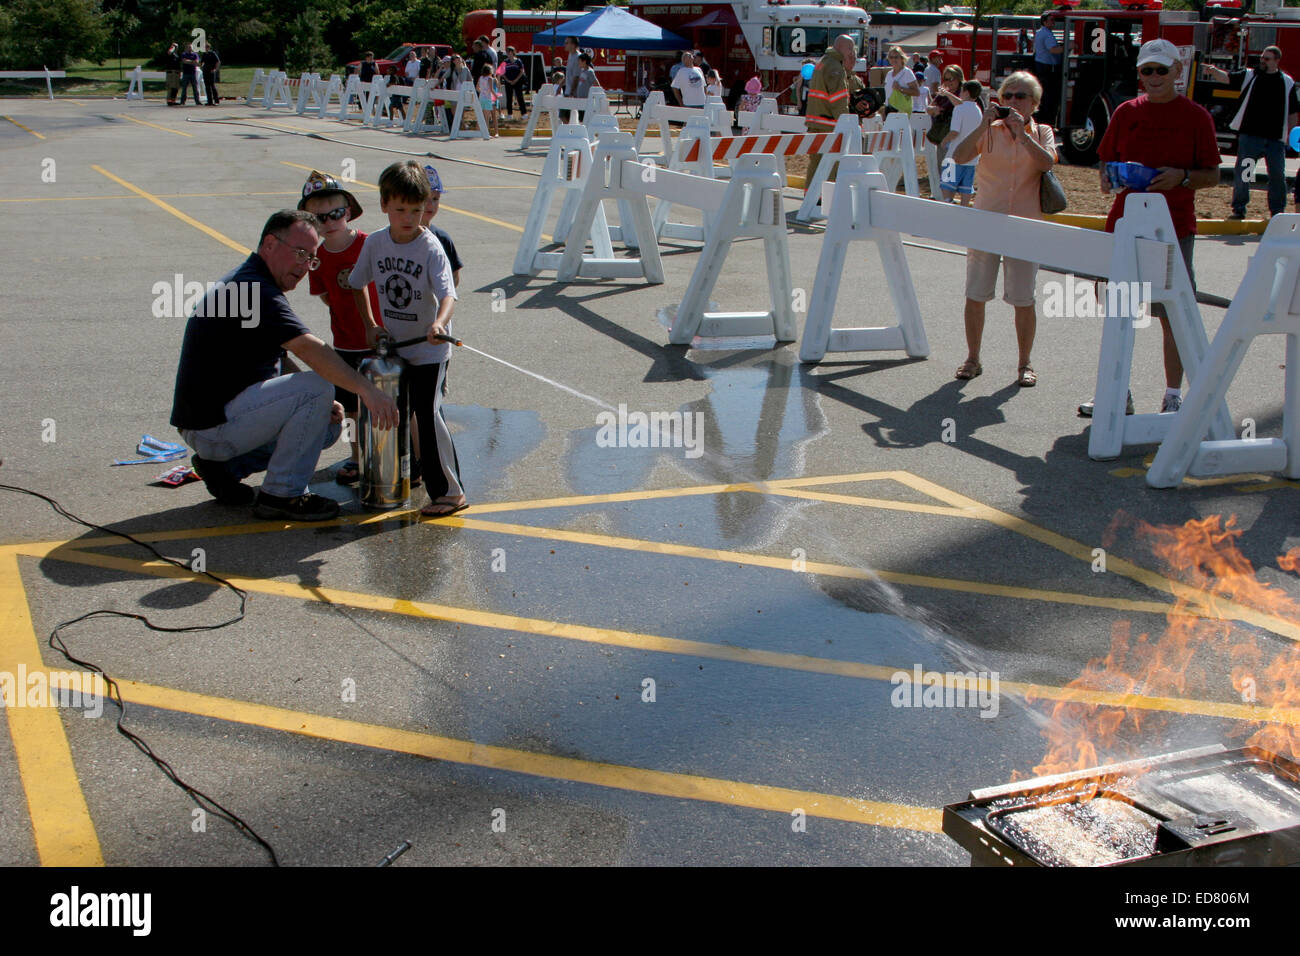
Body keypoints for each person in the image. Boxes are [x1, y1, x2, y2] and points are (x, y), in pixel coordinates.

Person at [170, 209, 399, 520]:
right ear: (269, 244)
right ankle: (282, 496)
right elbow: (309, 348)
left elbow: (281, 356)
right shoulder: (254, 289)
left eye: (312, 259)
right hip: (213, 427)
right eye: (300, 254)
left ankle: (223, 467)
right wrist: (367, 391)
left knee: (327, 422)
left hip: (213, 422)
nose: (305, 266)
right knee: (318, 386)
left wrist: (322, 403)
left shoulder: (251, 280)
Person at [1079, 38, 1223, 417]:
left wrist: (1184, 177)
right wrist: (1108, 178)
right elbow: (1106, 161)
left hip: (1174, 227)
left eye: (1162, 70)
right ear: (1139, 74)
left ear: (1178, 71)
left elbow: (1212, 175)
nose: (1155, 77)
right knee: (1115, 306)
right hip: (1126, 221)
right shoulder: (1126, 112)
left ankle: (1173, 394)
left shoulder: (1197, 117)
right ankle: (1116, 391)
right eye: (1148, 71)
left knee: (1171, 313)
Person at [348, 162, 464, 518]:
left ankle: (450, 492)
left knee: (428, 417)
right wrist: (370, 324)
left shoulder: (430, 248)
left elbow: (448, 295)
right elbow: (356, 284)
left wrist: (440, 324)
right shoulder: (376, 243)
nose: (410, 218)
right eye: (401, 210)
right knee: (398, 416)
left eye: (417, 210)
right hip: (394, 350)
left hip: (430, 350)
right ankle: (401, 474)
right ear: (384, 205)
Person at [950, 71, 1057, 387]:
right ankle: (972, 358)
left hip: (1025, 226)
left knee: (1023, 298)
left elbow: (1048, 163)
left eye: (1020, 96)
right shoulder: (990, 131)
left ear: (1034, 103)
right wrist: (984, 124)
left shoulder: (1042, 132)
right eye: (1007, 96)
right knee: (975, 294)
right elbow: (959, 156)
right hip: (985, 222)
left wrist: (1023, 133)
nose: (1012, 102)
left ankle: (1025, 363)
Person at [297, 171, 382, 487]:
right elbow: (323, 295)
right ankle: (358, 458)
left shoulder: (369, 244)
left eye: (336, 213)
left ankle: (400, 454)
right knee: (352, 408)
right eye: (320, 218)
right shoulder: (315, 258)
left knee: (388, 400)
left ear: (348, 211)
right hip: (345, 343)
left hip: (379, 338)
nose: (330, 222)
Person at [1204, 47, 1299, 220]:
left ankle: (1277, 212)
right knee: (1245, 174)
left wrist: (1291, 137)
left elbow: (1293, 112)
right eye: (1262, 58)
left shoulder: (1287, 82)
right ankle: (1239, 209)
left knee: (1277, 176)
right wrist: (1213, 71)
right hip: (1250, 137)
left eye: (1267, 59)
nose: (1263, 61)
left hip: (1275, 140)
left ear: (1277, 61)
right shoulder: (1250, 75)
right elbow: (1227, 78)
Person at [805, 35, 865, 190]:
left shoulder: (824, 62)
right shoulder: (835, 68)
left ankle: (810, 197)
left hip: (815, 122)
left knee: (816, 163)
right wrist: (847, 125)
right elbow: (839, 101)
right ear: (843, 48)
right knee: (831, 165)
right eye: (850, 49)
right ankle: (824, 199)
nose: (852, 53)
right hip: (829, 124)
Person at [940, 79, 982, 206]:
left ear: (967, 92)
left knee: (947, 186)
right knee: (966, 187)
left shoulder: (959, 109)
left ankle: (948, 206)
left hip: (954, 154)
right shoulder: (978, 110)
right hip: (971, 156)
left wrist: (944, 141)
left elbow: (955, 131)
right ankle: (964, 209)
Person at [928, 64, 965, 197]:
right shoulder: (942, 95)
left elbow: (962, 105)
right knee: (943, 166)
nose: (949, 82)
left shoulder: (963, 92)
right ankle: (947, 197)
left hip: (957, 136)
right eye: (946, 79)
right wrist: (933, 110)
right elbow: (929, 107)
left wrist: (948, 94)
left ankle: (951, 196)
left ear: (959, 79)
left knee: (954, 167)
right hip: (943, 135)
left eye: (952, 79)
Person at [1032, 11, 1063, 123]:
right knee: (1049, 96)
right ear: (1044, 22)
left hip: (1041, 67)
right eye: (1051, 20)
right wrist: (1068, 46)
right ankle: (1046, 121)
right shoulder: (1047, 34)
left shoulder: (1041, 33)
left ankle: (1042, 120)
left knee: (1044, 95)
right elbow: (1053, 49)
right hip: (1047, 69)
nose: (1054, 22)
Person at [882, 46, 920, 115]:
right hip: (889, 110)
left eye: (896, 57)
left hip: (902, 111)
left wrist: (900, 88)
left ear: (902, 58)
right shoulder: (889, 74)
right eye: (891, 57)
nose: (893, 59)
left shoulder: (907, 72)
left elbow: (916, 92)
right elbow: (887, 95)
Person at [502, 46, 528, 118]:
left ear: (513, 52)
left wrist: (516, 80)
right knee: (509, 98)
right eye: (507, 51)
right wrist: (508, 80)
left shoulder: (518, 61)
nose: (508, 53)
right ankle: (510, 114)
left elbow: (522, 71)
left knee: (520, 97)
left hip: (518, 82)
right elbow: (502, 72)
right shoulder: (505, 62)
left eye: (509, 51)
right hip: (508, 82)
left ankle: (524, 113)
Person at [477, 62, 500, 136]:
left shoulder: (480, 78)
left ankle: (481, 131)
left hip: (481, 98)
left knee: (482, 115)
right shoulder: (489, 78)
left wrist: (482, 91)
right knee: (487, 117)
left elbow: (477, 87)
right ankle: (486, 132)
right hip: (487, 98)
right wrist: (496, 96)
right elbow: (491, 89)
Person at [178, 41, 201, 106]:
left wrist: (189, 61)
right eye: (188, 47)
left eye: (191, 47)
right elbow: (184, 61)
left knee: (195, 88)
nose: (190, 48)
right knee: (184, 88)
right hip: (186, 73)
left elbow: (197, 62)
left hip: (193, 73)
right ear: (186, 48)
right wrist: (192, 61)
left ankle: (197, 101)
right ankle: (182, 101)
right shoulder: (184, 54)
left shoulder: (195, 54)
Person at [164, 41, 181, 106]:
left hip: (176, 72)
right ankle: (169, 101)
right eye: (174, 46)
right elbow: (169, 52)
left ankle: (173, 100)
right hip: (171, 72)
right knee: (170, 87)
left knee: (176, 87)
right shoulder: (170, 53)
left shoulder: (177, 55)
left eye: (176, 47)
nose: (176, 48)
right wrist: (172, 47)